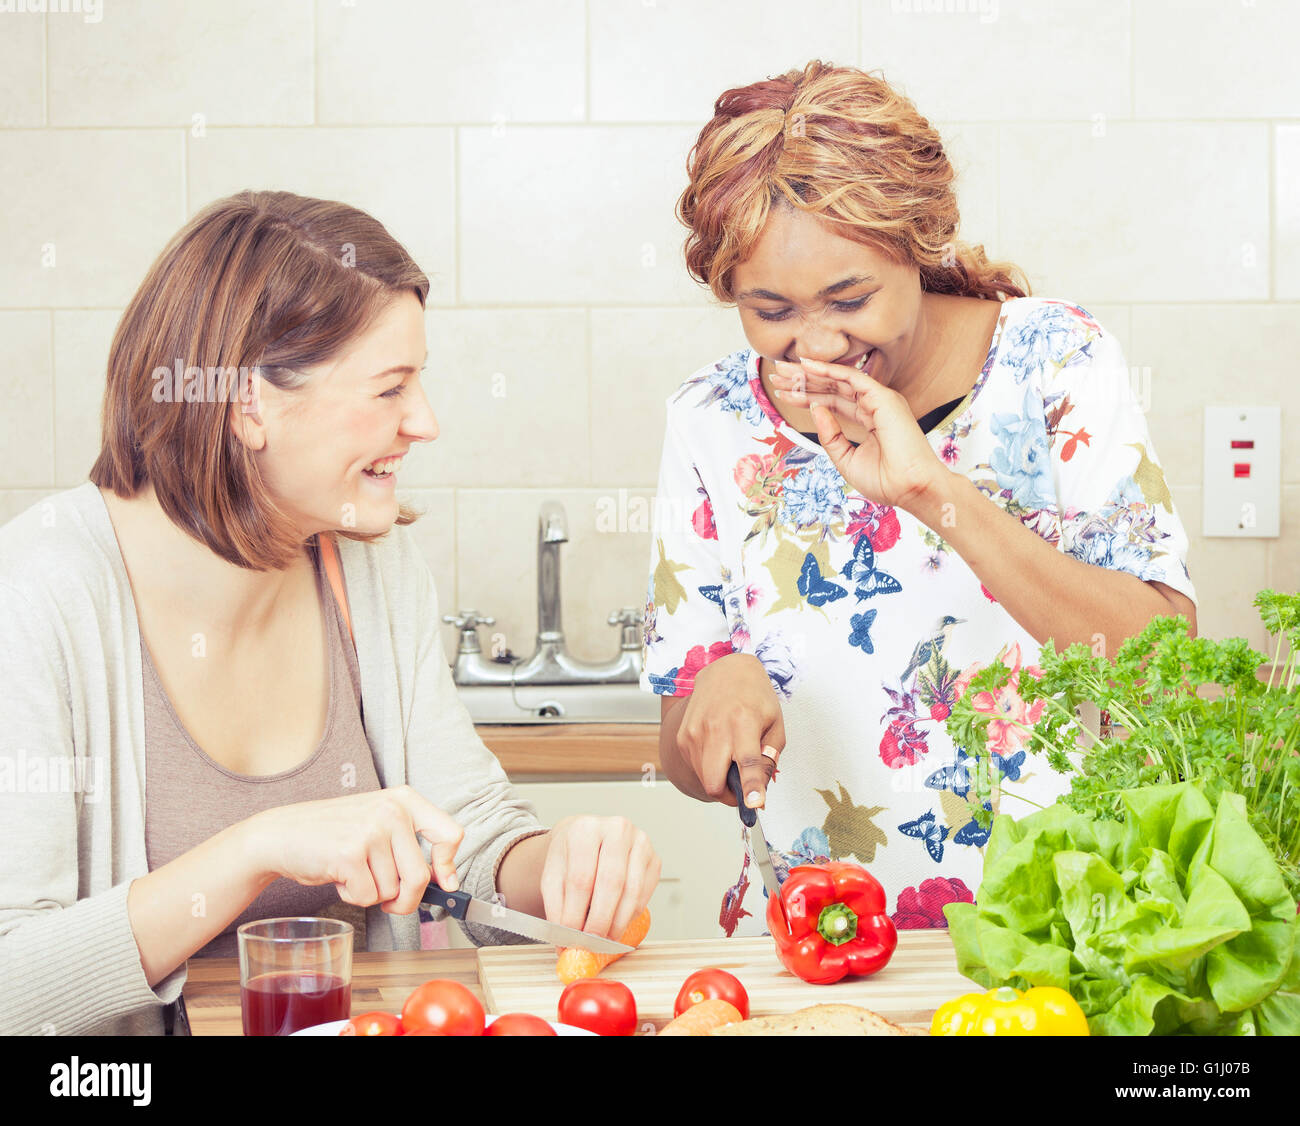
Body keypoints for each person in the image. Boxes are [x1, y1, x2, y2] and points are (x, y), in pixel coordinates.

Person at [0, 190, 659, 1035]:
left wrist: (562, 865)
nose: (424, 422)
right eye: (390, 389)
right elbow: (14, 984)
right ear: (249, 405)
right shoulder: (38, 598)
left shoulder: (370, 567)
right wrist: (256, 849)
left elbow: (476, 841)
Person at [642, 61, 1197, 938]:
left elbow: (1159, 666)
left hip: (1068, 936)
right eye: (770, 310)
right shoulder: (710, 420)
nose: (816, 346)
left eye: (850, 298)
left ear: (919, 242)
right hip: (816, 938)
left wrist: (935, 493)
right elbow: (682, 749)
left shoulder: (1056, 363)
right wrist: (715, 692)